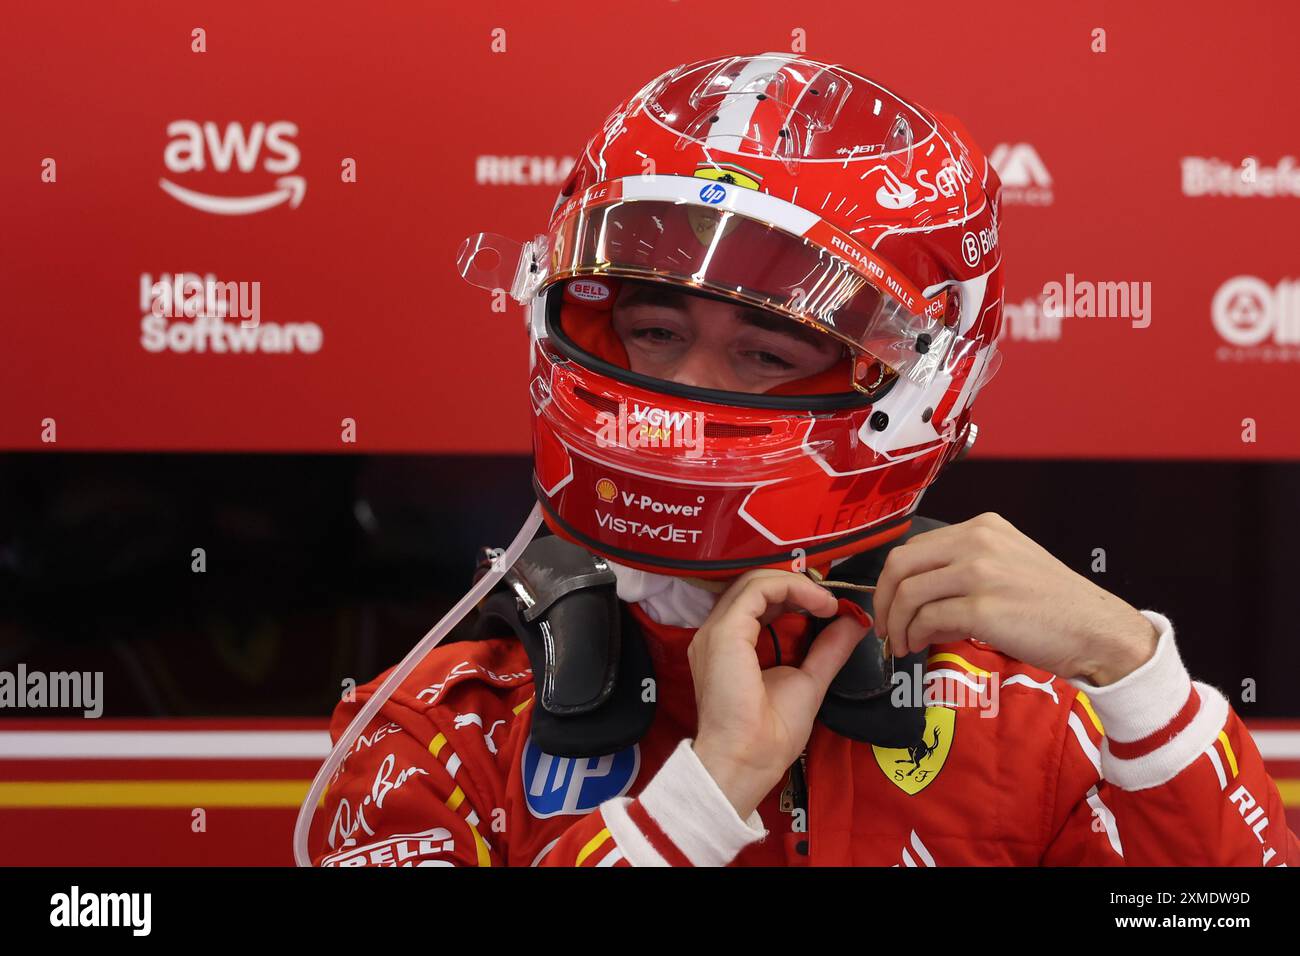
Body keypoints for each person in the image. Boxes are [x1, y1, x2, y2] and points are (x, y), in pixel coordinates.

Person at [307, 53, 1298, 867]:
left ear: (921, 384)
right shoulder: (437, 731)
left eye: (765, 351)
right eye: (653, 330)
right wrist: (700, 799)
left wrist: (1139, 677)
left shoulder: (1030, 723)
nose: (685, 390)